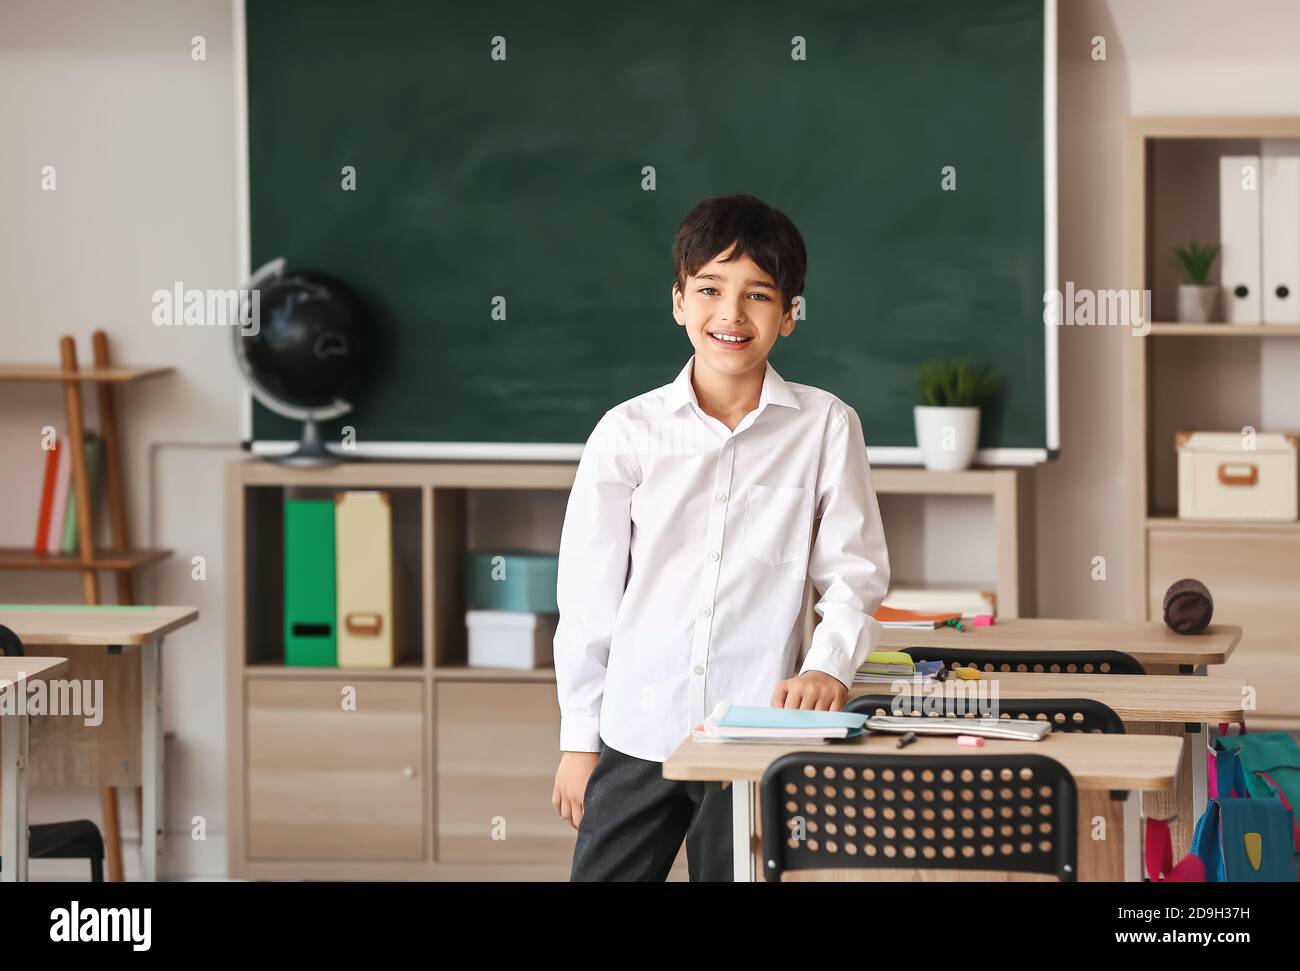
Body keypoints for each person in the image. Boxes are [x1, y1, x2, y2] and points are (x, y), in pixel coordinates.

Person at [552, 193, 891, 881]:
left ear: (790, 315)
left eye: (759, 295)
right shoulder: (627, 432)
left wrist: (829, 664)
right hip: (636, 730)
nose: (731, 314)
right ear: (678, 300)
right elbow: (587, 600)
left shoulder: (826, 426)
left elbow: (854, 572)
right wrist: (577, 739)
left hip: (755, 733)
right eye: (709, 288)